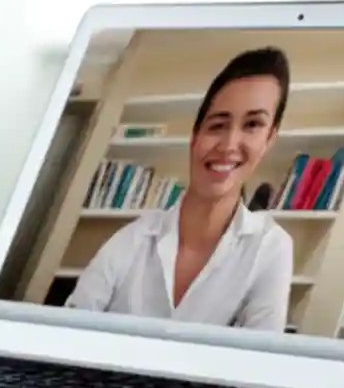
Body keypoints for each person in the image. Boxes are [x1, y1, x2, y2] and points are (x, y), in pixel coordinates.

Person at [64, 46, 295, 331]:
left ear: (269, 139)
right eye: (217, 125)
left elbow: (259, 353)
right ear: (195, 137)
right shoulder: (133, 238)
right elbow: (68, 330)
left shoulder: (271, 247)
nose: (228, 145)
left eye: (252, 125)